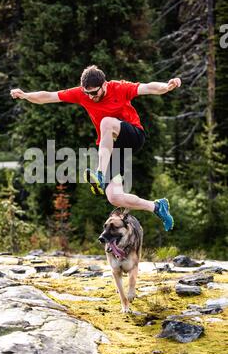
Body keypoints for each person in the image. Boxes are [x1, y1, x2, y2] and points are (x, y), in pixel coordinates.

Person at [10, 65, 181, 231]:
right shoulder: (82, 94)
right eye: (87, 93)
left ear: (104, 84)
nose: (91, 97)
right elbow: (48, 96)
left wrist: (166, 86)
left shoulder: (119, 88)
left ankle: (99, 172)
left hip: (133, 136)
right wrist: (25, 95)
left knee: (106, 122)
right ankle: (157, 207)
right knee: (115, 197)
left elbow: (148, 88)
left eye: (94, 92)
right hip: (114, 149)